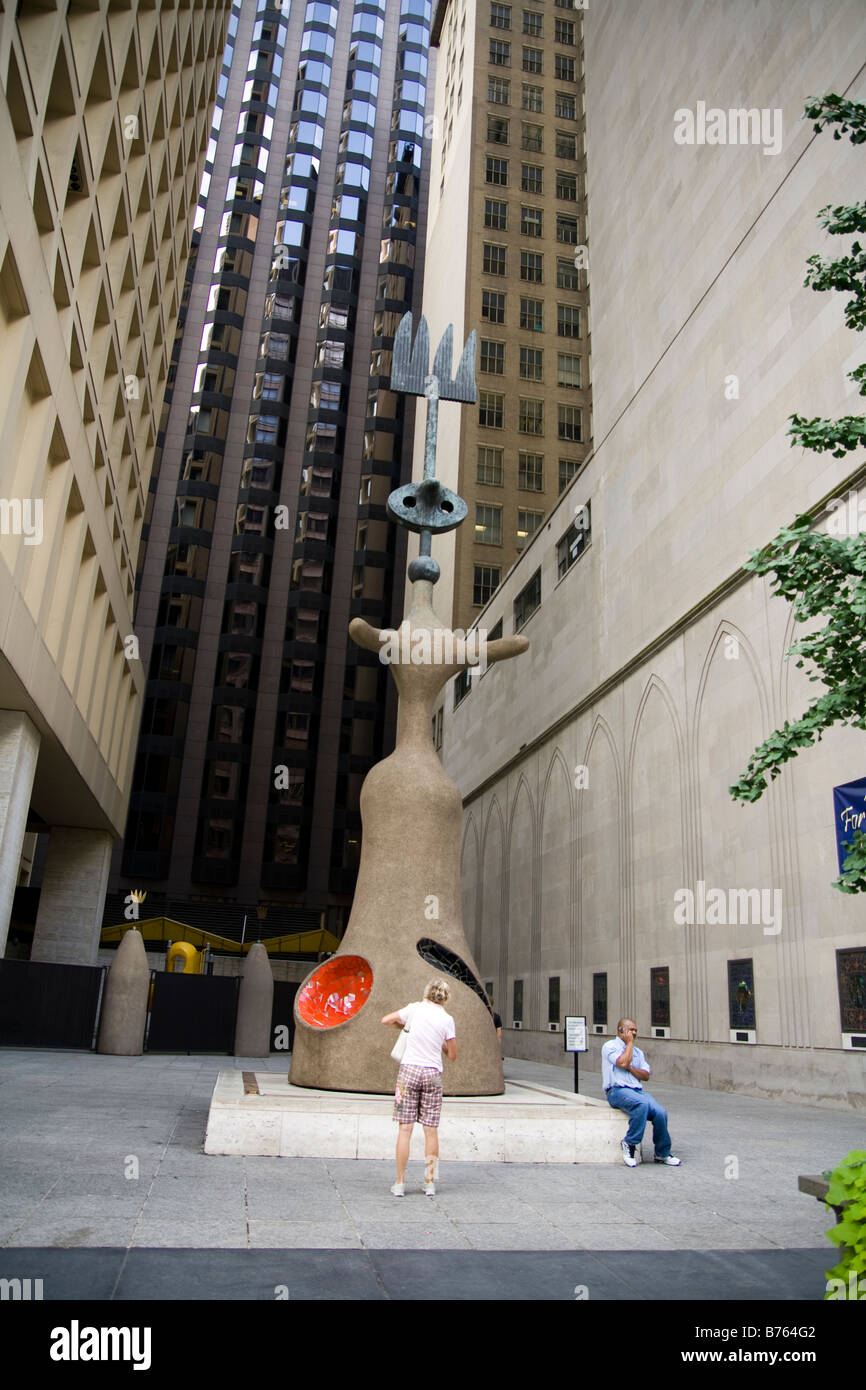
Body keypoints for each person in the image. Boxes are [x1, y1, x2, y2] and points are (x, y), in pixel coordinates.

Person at [381, 978, 457, 1197]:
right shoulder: (447, 1019)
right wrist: (439, 1042)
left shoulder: (414, 1009)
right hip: (432, 1074)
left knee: (405, 1129)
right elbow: (452, 1055)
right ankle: (430, 1182)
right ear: (445, 998)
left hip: (408, 1072)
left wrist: (404, 1025)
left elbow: (386, 1020)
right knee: (431, 1131)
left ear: (427, 993)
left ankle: (400, 1183)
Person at [601, 1018, 681, 1168]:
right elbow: (622, 1063)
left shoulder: (638, 1053)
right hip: (616, 1091)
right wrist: (629, 1043)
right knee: (642, 1104)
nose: (635, 1033)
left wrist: (631, 1068)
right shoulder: (609, 1046)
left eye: (635, 1030)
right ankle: (629, 1143)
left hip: (637, 1091)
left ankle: (662, 1153)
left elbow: (645, 1075)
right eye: (631, 1030)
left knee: (660, 1113)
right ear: (621, 1030)